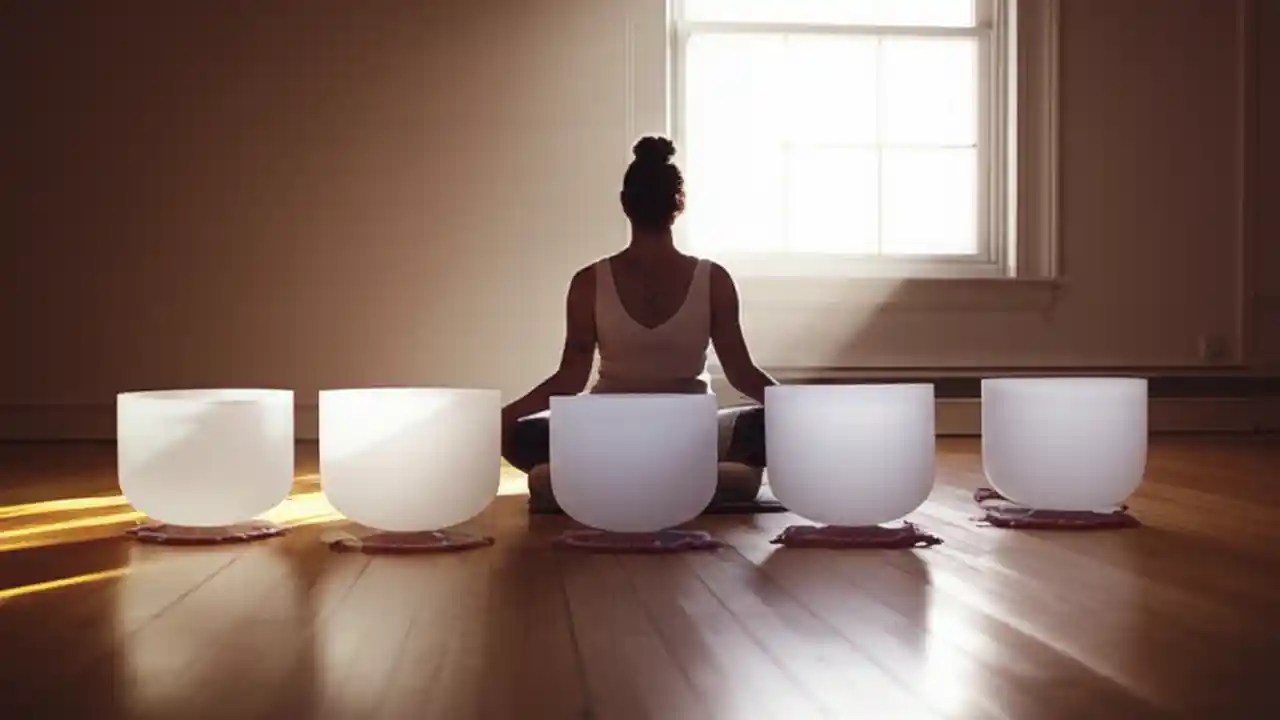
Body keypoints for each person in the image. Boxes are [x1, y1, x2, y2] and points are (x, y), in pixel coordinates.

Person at [501, 136, 777, 510]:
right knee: (769, 428)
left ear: (624, 204)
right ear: (679, 203)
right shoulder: (714, 279)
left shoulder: (588, 281)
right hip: (691, 439)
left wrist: (502, 419)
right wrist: (802, 412)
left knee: (521, 438)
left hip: (608, 438)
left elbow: (570, 379)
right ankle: (699, 482)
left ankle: (596, 481)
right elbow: (743, 374)